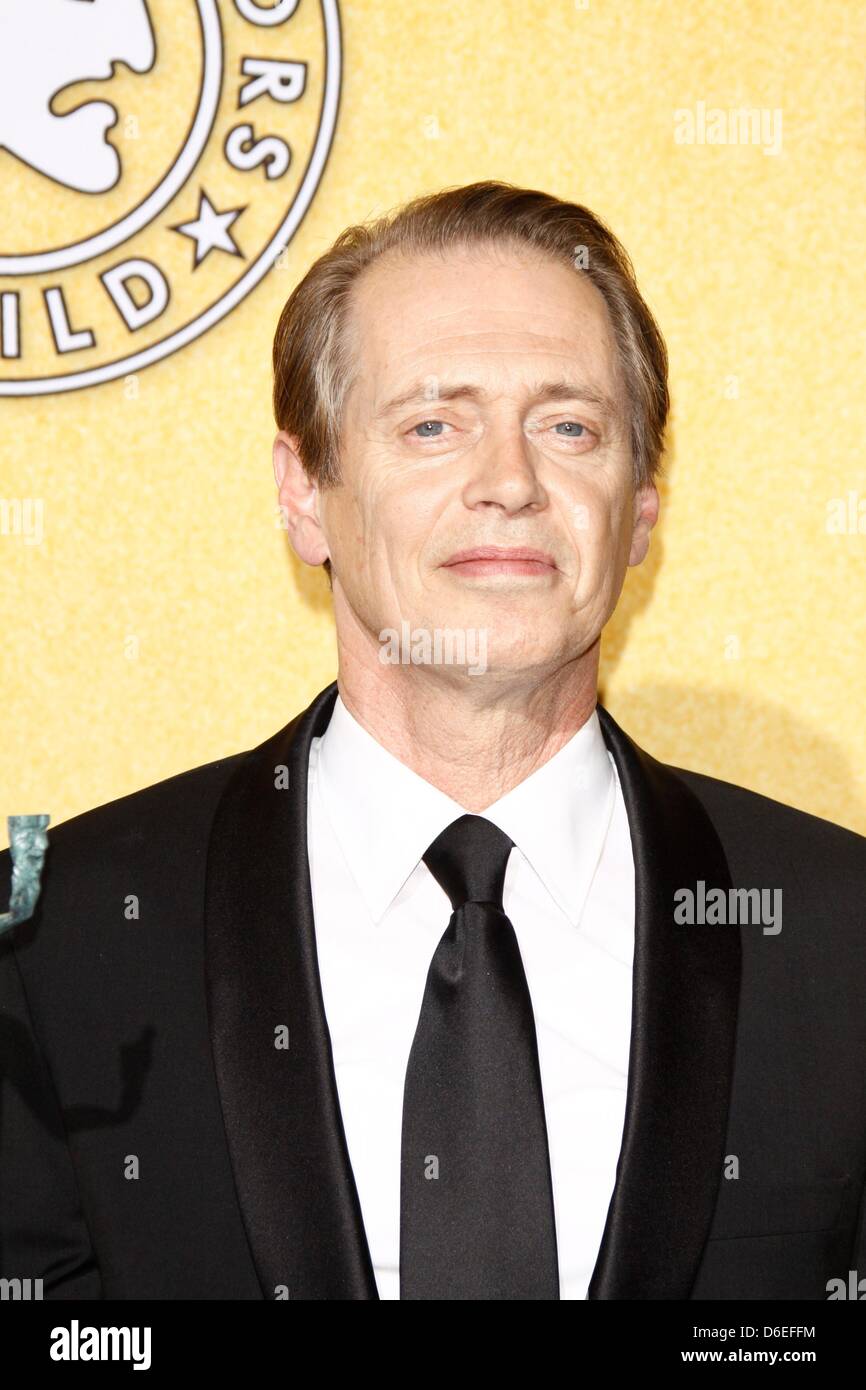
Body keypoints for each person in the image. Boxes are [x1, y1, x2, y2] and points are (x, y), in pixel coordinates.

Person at [2, 181, 865, 1301]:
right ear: (305, 492)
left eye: (568, 427)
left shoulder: (838, 930)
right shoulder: (55, 938)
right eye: (430, 425)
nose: (507, 483)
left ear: (641, 508)